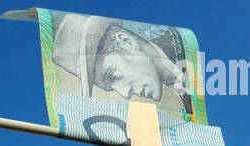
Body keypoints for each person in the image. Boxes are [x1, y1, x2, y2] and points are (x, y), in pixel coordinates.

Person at [49, 13, 192, 115]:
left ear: (126, 41)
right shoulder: (181, 89)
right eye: (109, 86)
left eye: (113, 75)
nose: (125, 94)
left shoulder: (191, 60)